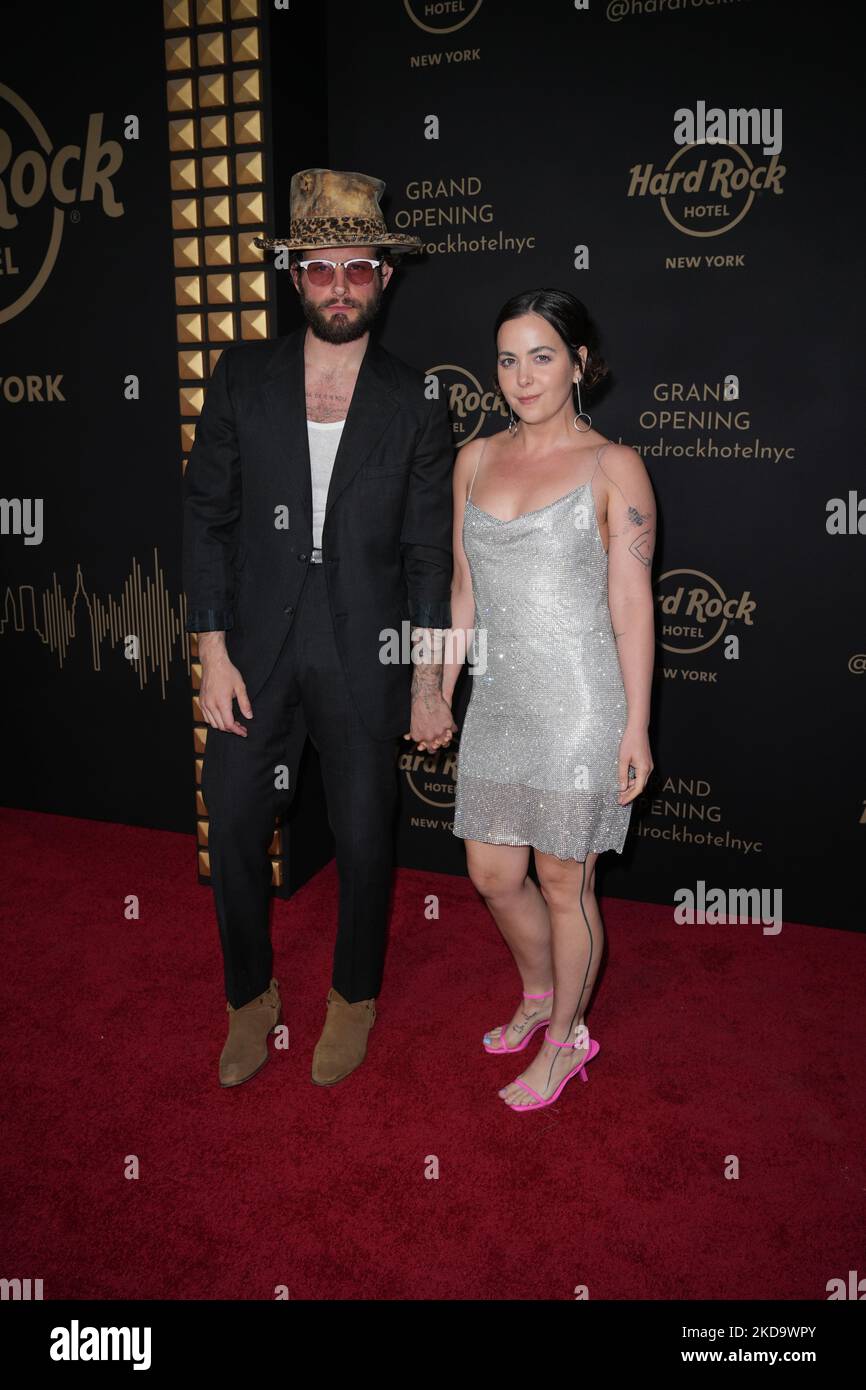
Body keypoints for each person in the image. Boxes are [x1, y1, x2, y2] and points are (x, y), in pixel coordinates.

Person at [182, 168, 455, 1089]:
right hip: (254, 651)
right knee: (233, 826)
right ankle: (248, 997)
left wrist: (427, 680)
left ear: (385, 276)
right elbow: (208, 518)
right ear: (294, 276)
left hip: (363, 651)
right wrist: (211, 651)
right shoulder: (241, 376)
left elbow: (428, 552)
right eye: (321, 267)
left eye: (359, 268)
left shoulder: (417, 400)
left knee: (369, 836)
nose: (341, 285)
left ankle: (354, 995)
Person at [444, 289, 655, 1111]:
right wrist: (433, 685)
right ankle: (539, 994)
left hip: (579, 705)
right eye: (507, 358)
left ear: (578, 364)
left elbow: (633, 608)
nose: (522, 377)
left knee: (568, 882)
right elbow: (460, 593)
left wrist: (635, 724)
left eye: (541, 356)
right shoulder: (473, 458)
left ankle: (568, 1040)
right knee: (493, 873)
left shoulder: (614, 467)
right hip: (498, 704)